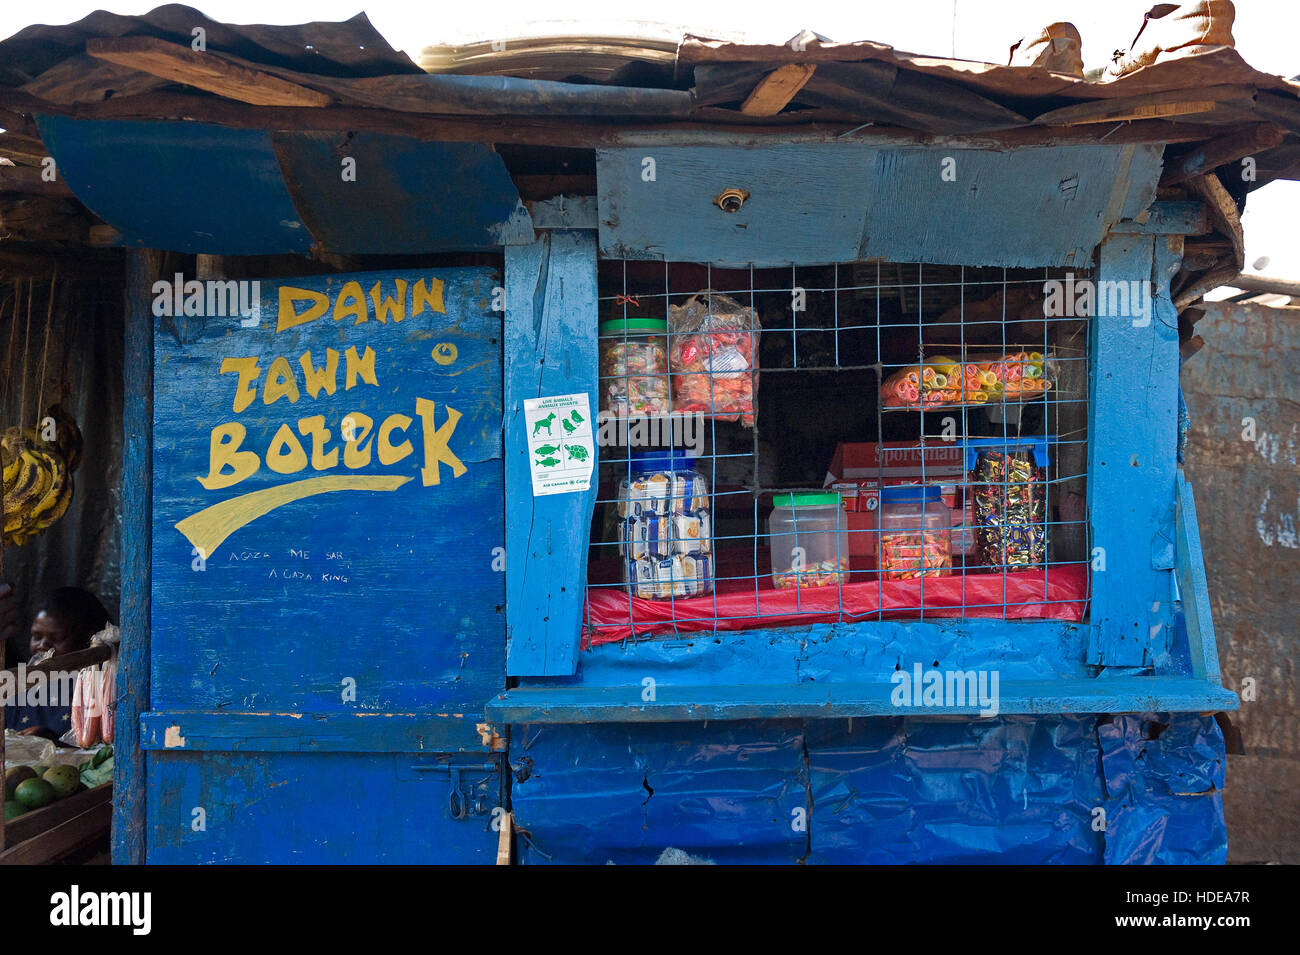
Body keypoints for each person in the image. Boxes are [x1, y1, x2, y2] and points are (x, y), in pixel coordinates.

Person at [2, 585, 110, 741]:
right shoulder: (19, 687)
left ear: (88, 640)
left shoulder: (99, 689)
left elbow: (103, 752)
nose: (42, 645)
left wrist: (55, 742)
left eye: (55, 638)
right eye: (37, 636)